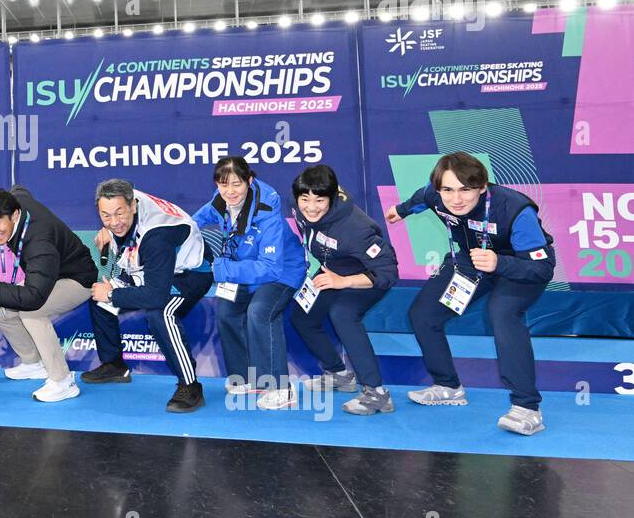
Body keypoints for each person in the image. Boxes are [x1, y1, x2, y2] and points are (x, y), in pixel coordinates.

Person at [386, 152, 556, 436]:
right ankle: (448, 386)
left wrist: (500, 263)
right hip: (470, 260)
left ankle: (527, 408)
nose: (456, 199)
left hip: (519, 265)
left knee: (502, 313)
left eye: (465, 190)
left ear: (481, 187)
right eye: (448, 190)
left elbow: (542, 268)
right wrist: (402, 210)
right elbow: (422, 196)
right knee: (423, 315)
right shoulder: (435, 195)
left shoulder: (515, 209)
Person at [81, 180, 214, 412]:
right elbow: (120, 225)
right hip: (153, 268)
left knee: (160, 313)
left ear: (133, 205)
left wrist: (112, 294)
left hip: (190, 273)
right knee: (98, 299)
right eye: (106, 216)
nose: (114, 222)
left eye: (119, 214)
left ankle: (190, 386)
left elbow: (155, 296)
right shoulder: (124, 199)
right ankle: (114, 365)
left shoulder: (157, 234)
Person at [0, 186, 97, 403]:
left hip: (77, 279)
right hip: (50, 273)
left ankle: (63, 382)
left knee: (31, 313)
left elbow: (33, 298)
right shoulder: (16, 203)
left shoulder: (39, 242)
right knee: (0, 310)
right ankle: (34, 364)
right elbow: (19, 190)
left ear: (14, 215)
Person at [192, 157, 306, 410]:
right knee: (225, 310)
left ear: (249, 180)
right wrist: (175, 234)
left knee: (260, 312)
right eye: (224, 184)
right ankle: (247, 378)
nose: (230, 191)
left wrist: (222, 268)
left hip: (281, 271)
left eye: (237, 184)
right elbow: (193, 222)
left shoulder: (268, 208)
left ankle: (280, 388)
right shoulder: (220, 198)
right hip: (244, 269)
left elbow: (270, 267)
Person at [289, 165, 399, 416]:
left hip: (365, 277)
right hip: (332, 270)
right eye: (305, 199)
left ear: (332, 198)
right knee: (301, 316)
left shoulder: (356, 228)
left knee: (343, 313)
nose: (311, 207)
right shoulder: (299, 207)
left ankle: (377, 394)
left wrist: (345, 281)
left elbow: (388, 272)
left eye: (319, 200)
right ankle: (339, 374)